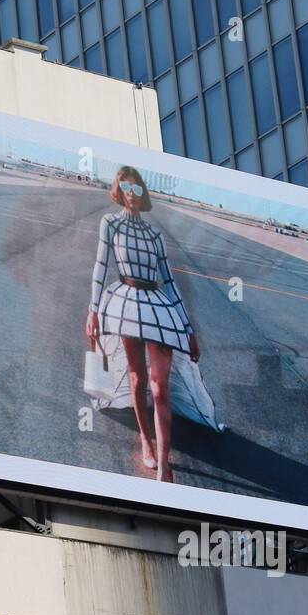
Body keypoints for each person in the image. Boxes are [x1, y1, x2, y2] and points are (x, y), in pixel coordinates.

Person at [86, 166, 200, 481]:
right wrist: (93, 310)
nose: (132, 194)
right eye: (126, 187)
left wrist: (187, 330)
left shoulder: (154, 234)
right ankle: (146, 441)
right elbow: (100, 266)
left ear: (142, 193)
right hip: (127, 303)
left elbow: (170, 281)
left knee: (160, 387)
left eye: (137, 189)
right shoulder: (109, 223)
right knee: (137, 380)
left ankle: (164, 464)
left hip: (157, 304)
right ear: (119, 190)